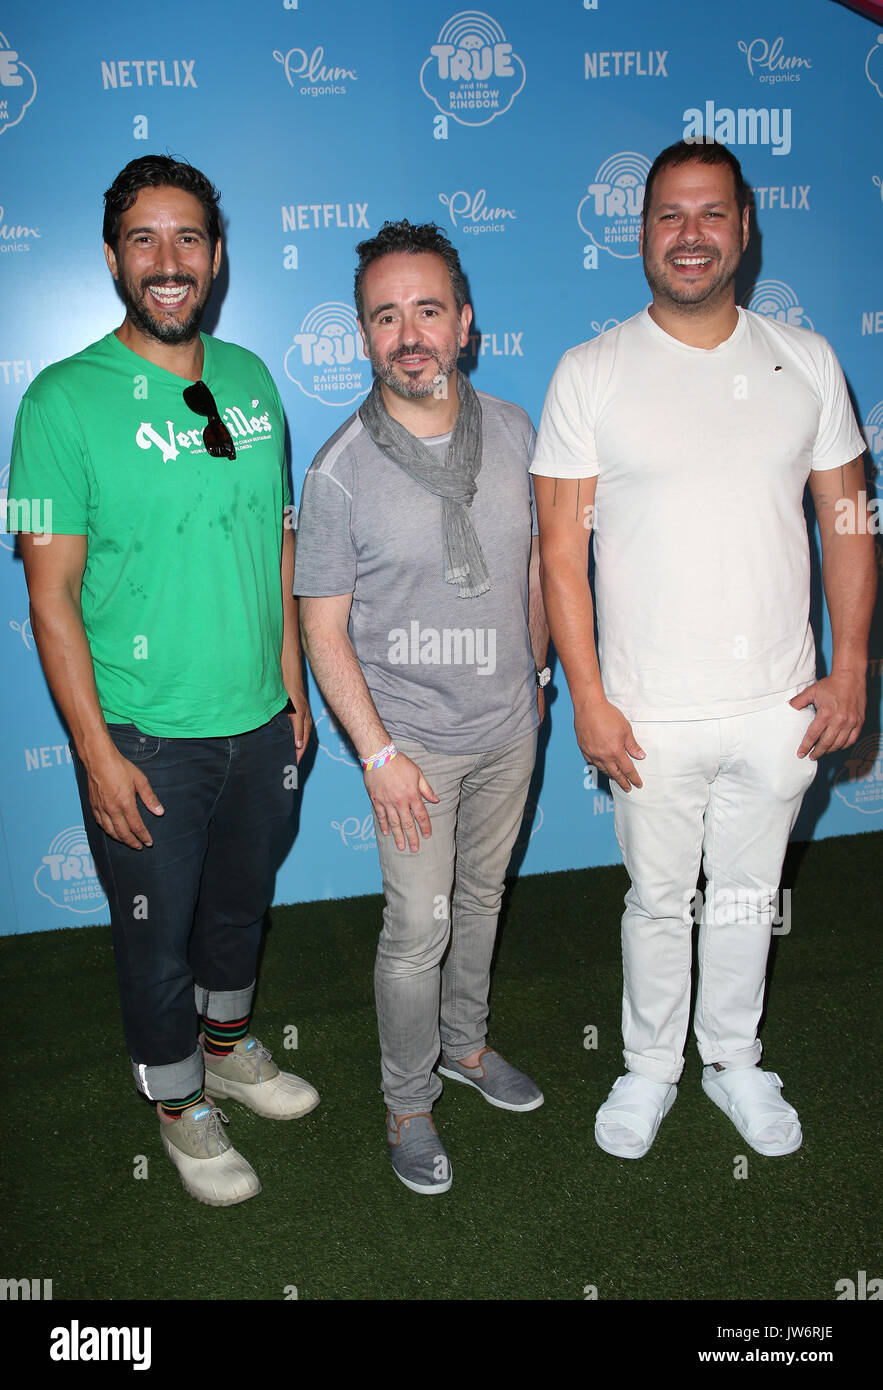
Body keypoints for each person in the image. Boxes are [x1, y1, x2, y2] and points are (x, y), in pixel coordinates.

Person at [531, 140, 875, 1159]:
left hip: (777, 704)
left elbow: (849, 521)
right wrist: (587, 698)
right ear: (641, 232)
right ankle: (647, 1068)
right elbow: (558, 554)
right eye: (670, 215)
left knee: (744, 897)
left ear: (743, 228)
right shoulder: (589, 372)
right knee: (654, 900)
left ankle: (731, 1059)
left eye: (710, 214)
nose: (690, 235)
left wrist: (851, 666)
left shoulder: (805, 360)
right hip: (645, 711)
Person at [8, 155, 318, 1207]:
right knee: (156, 940)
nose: (168, 260)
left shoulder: (252, 379)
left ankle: (226, 1046)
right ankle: (180, 1103)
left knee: (238, 913)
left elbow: (275, 539)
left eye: (188, 237)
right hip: (145, 737)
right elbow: (50, 598)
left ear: (217, 256)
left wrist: (292, 686)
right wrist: (95, 753)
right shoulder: (61, 401)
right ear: (111, 258)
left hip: (259, 722)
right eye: (144, 239)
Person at [295, 221, 549, 1194]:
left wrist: (535, 674)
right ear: (363, 335)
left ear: (465, 323)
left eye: (428, 310)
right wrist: (377, 754)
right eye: (385, 315)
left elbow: (532, 566)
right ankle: (407, 1102)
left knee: (482, 900)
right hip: (410, 749)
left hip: (506, 729)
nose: (409, 333)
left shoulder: (520, 430)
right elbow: (324, 631)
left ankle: (465, 1046)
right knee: (417, 928)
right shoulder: (337, 470)